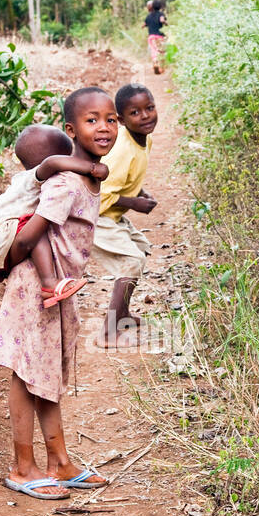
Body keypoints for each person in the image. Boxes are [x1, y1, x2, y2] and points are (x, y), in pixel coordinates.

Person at [0, 87, 119, 499]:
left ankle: (60, 463)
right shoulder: (66, 182)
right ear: (71, 130)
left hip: (58, 292)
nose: (104, 127)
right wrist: (11, 264)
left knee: (46, 376)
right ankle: (23, 467)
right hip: (35, 291)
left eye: (111, 119)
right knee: (27, 376)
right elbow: (28, 237)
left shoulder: (85, 177)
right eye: (92, 120)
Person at [0, 125, 106, 307]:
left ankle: (0, 269)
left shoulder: (20, 180)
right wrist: (92, 168)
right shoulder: (35, 177)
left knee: (29, 226)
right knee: (35, 230)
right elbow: (51, 163)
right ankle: (49, 283)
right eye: (68, 157)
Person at [92, 83, 157, 347]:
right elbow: (100, 193)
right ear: (121, 119)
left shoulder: (144, 138)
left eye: (149, 108)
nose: (145, 116)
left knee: (139, 250)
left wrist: (140, 192)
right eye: (135, 113)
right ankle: (108, 332)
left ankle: (122, 315)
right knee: (130, 260)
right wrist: (134, 203)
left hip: (113, 213)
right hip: (96, 215)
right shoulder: (122, 149)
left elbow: (128, 179)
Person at [144, 0, 166, 73]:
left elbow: (145, 24)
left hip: (151, 37)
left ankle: (155, 62)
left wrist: (144, 26)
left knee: (153, 50)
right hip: (160, 36)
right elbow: (162, 20)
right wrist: (165, 23)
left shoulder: (149, 16)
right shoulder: (161, 14)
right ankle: (161, 67)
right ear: (160, 6)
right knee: (161, 50)